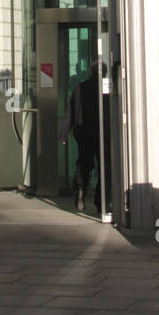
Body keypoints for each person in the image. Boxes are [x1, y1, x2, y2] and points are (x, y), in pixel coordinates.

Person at [62, 61, 110, 214]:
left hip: (84, 132)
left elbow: (71, 112)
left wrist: (64, 133)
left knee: (84, 163)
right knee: (104, 167)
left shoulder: (80, 87)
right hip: (103, 132)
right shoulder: (107, 88)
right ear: (105, 73)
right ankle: (101, 201)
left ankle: (81, 190)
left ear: (90, 71)